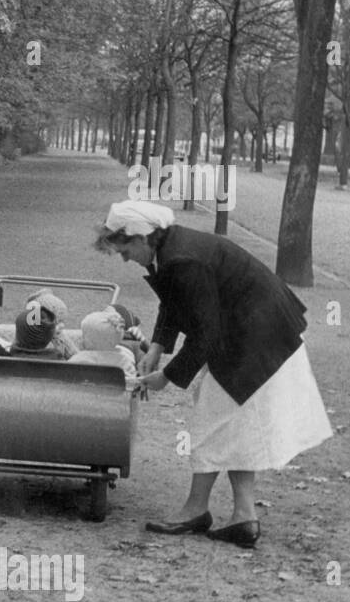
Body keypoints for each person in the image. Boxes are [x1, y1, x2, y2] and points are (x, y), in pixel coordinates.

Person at [97, 199, 333, 549]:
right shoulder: (173, 248)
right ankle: (243, 516)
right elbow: (174, 301)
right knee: (237, 423)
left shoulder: (182, 259)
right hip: (255, 330)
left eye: (125, 248)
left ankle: (197, 509)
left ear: (143, 237)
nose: (125, 257)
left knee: (211, 417)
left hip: (257, 336)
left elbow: (206, 334)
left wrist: (167, 376)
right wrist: (158, 349)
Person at [69, 309, 138, 390]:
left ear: (91, 341)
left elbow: (64, 375)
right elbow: (131, 384)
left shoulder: (80, 358)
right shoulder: (125, 358)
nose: (82, 338)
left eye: (84, 335)